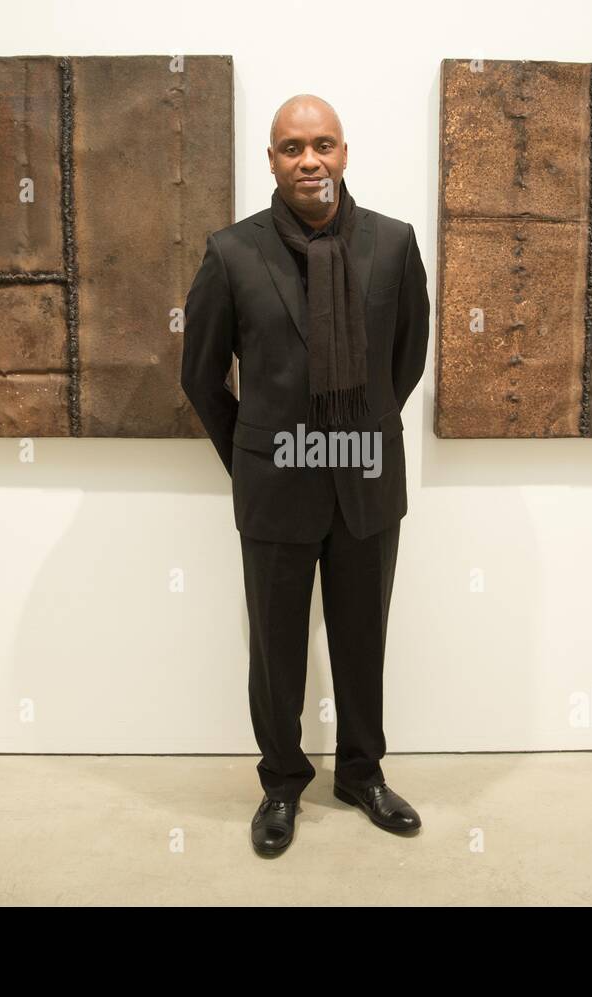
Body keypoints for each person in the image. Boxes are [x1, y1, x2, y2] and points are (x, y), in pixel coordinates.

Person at [181, 94, 429, 856]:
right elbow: (201, 376)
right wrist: (255, 454)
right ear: (272, 161)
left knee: (363, 639)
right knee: (276, 647)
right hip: (276, 485)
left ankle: (362, 771)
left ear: (345, 153)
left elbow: (406, 359)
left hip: (366, 483)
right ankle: (281, 783)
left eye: (323, 144)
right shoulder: (232, 253)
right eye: (292, 147)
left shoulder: (392, 245)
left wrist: (361, 431)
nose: (310, 159)